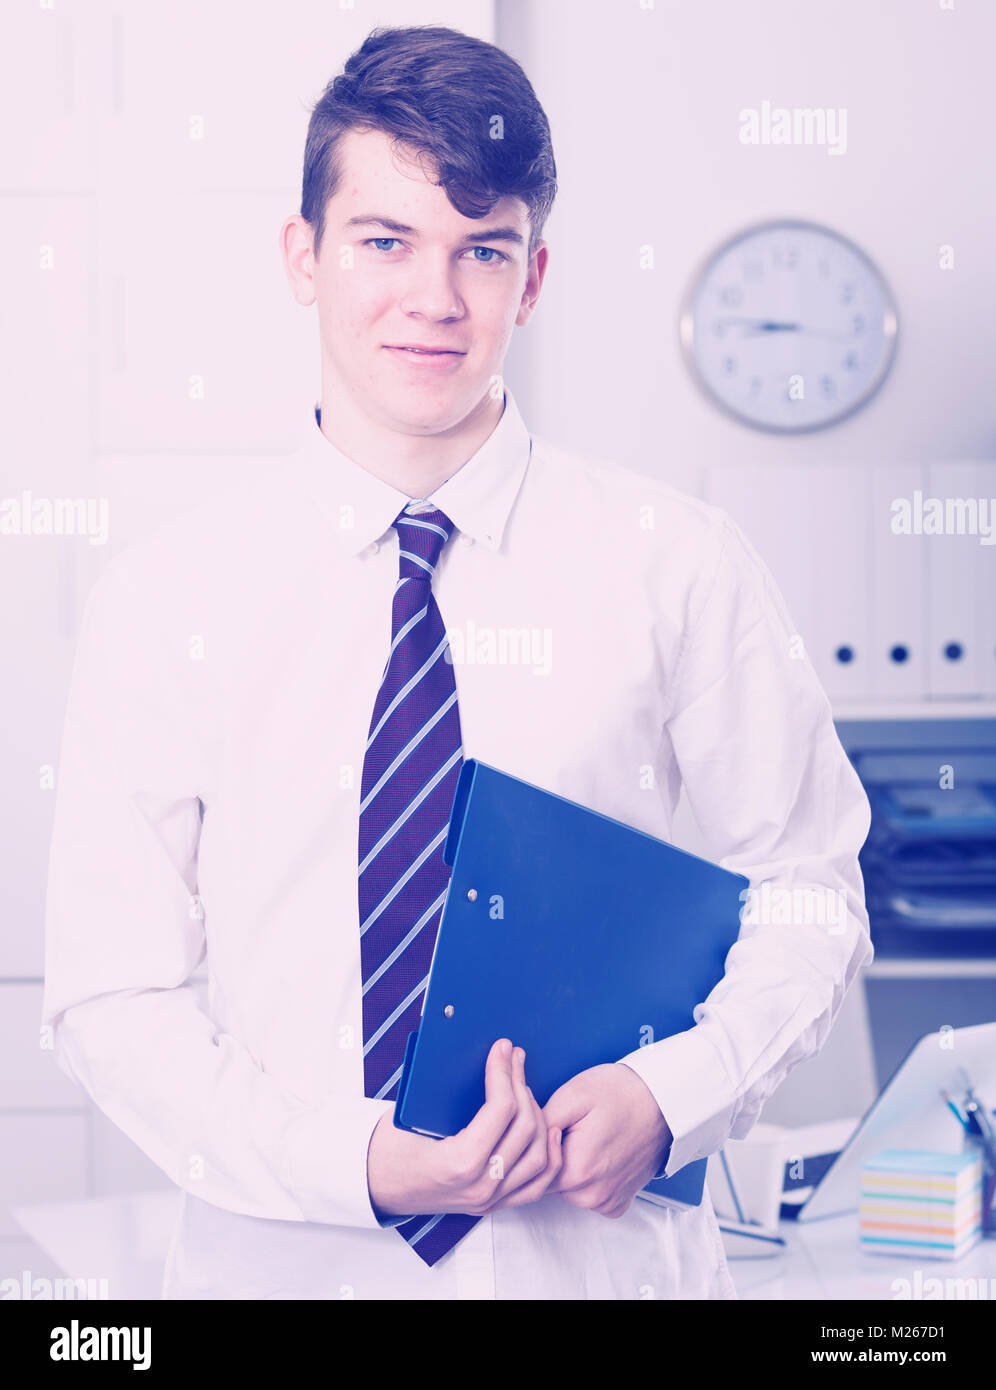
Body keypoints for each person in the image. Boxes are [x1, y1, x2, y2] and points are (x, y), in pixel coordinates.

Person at [42, 24, 872, 1300]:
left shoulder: (678, 564)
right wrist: (358, 1159)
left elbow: (809, 884)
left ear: (532, 279)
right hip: (284, 1276)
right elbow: (112, 995)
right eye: (386, 242)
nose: (435, 298)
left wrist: (673, 1093)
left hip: (598, 1276)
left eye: (483, 252)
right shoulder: (165, 601)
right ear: (303, 258)